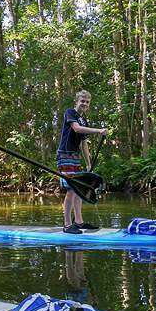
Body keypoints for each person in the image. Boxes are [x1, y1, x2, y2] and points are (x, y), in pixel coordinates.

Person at [57, 90, 107, 234]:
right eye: (82, 101)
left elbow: (84, 144)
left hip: (75, 157)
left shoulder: (84, 120)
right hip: (65, 154)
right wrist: (98, 131)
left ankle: (78, 222)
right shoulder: (70, 113)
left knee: (79, 189)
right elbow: (77, 129)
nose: (84, 104)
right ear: (77, 102)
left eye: (87, 102)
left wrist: (89, 163)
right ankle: (67, 225)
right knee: (71, 189)